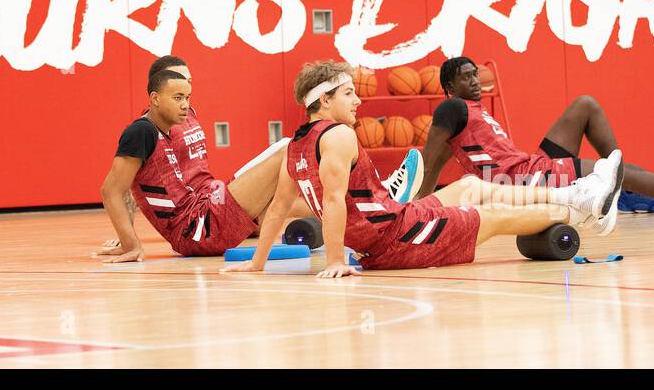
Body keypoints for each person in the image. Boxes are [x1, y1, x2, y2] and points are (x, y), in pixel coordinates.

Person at [225, 60, 623, 279]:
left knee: (470, 185)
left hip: (396, 221)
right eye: (348, 94)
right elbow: (331, 202)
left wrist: (258, 262)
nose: (357, 102)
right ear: (324, 101)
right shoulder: (338, 137)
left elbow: (276, 209)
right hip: (398, 240)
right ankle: (578, 211)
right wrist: (333, 261)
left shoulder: (294, 144)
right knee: (491, 215)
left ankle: (577, 193)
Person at [95, 55, 422, 262]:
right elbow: (118, 187)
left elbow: (157, 181)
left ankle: (377, 204)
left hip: (212, 200)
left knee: (282, 202)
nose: (186, 95)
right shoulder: (141, 131)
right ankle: (382, 193)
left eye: (189, 88)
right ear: (156, 93)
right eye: (177, 91)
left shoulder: (186, 116)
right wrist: (129, 239)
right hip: (197, 226)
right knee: (287, 150)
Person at [416, 57, 654, 211]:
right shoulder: (450, 109)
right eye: (466, 76)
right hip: (524, 181)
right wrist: (414, 210)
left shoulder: (468, 111)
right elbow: (429, 167)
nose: (475, 81)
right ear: (450, 85)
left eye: (476, 74)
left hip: (530, 168)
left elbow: (445, 160)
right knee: (630, 175)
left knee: (585, 104)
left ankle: (622, 189)